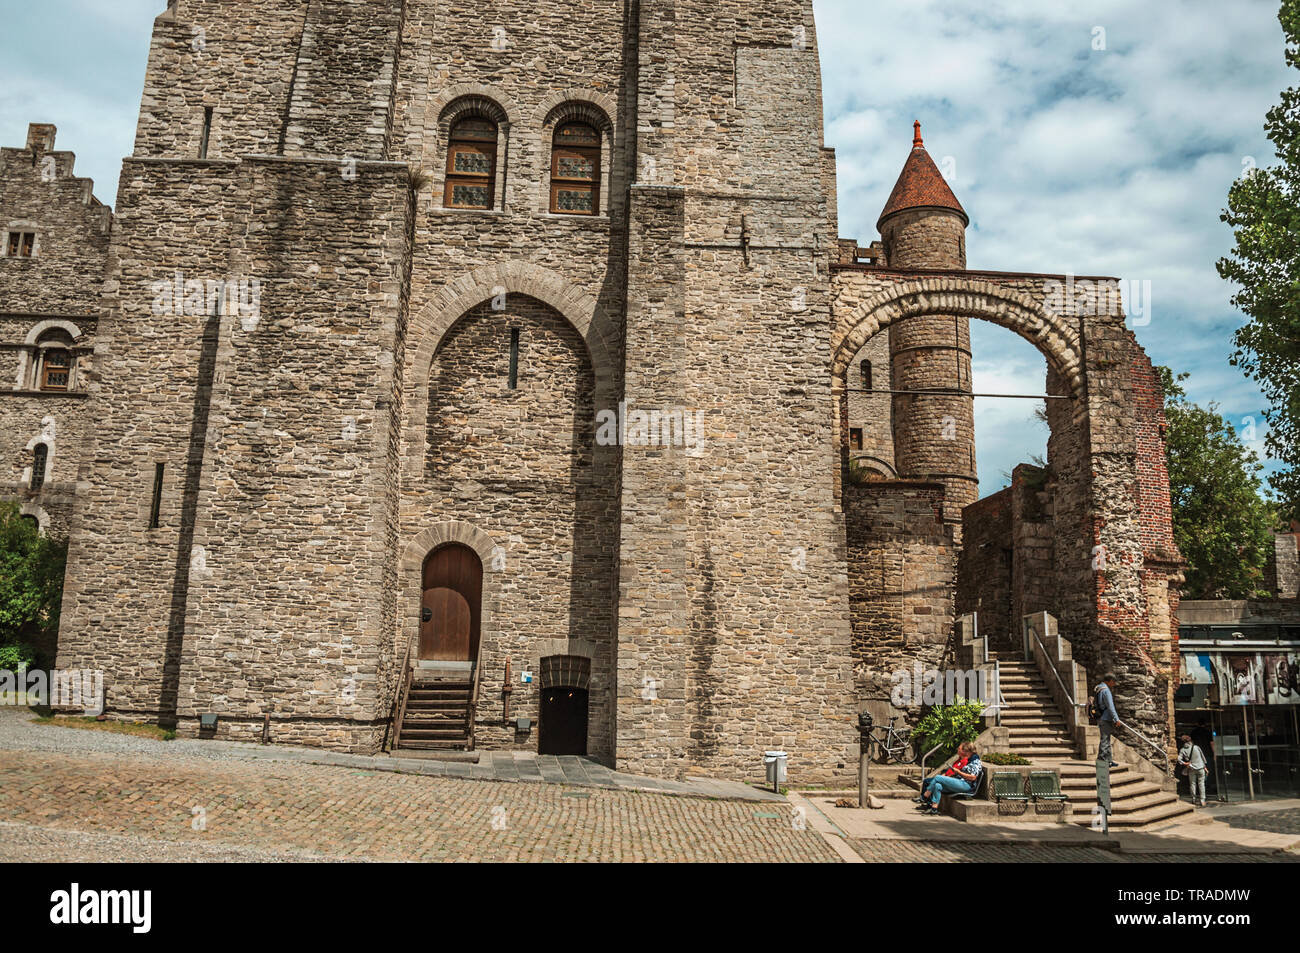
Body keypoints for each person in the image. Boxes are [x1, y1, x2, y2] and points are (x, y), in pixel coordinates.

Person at [916, 741, 983, 815]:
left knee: (938, 777)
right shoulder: (969, 759)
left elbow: (973, 777)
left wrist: (958, 772)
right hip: (959, 782)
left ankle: (924, 797)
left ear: (967, 751)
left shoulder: (975, 761)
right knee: (937, 785)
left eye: (961, 749)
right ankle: (934, 809)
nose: (959, 750)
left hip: (966, 785)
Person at [1095, 674, 1123, 767]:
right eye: (1113, 682)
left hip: (1102, 717)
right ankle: (1102, 761)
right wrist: (1116, 719)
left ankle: (1109, 760)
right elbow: (1110, 707)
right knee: (1105, 740)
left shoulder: (1099, 688)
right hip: (1105, 718)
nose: (1114, 684)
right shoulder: (1106, 690)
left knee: (1107, 739)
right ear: (1109, 680)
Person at [1177, 733, 1208, 807]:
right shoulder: (1196, 747)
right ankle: (1202, 800)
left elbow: (1178, 759)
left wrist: (1185, 763)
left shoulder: (1182, 750)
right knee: (1201, 784)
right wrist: (1205, 767)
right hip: (1200, 768)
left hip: (1191, 768)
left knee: (1192, 784)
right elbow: (1202, 758)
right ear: (1190, 740)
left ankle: (1193, 799)